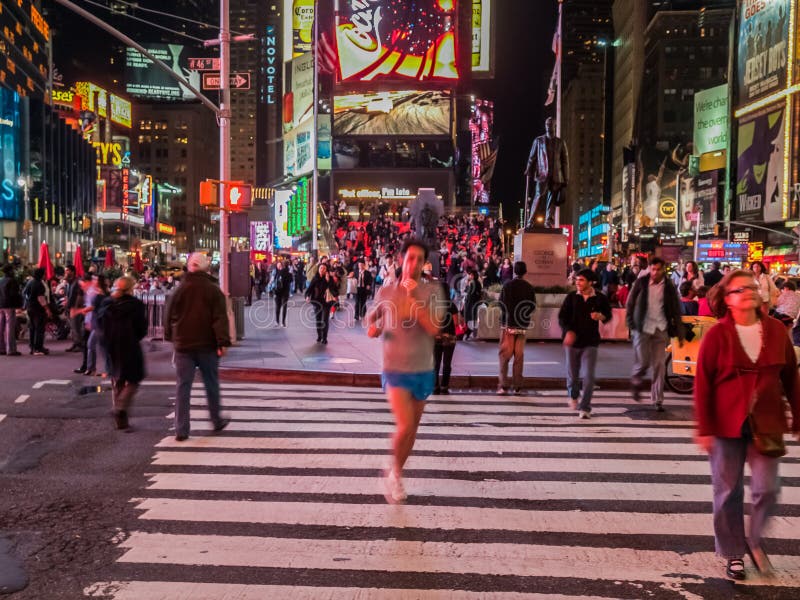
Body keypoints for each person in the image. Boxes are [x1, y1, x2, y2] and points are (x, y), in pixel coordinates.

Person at [694, 270, 800, 580]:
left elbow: (791, 377)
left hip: (766, 420)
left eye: (752, 288)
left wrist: (798, 414)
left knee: (767, 489)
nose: (749, 292)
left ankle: (754, 541)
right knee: (728, 492)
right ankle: (733, 553)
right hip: (726, 421)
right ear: (727, 299)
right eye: (741, 289)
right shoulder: (717, 334)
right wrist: (704, 427)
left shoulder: (777, 330)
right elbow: (703, 383)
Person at [367, 238, 444, 504]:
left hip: (423, 368)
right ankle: (395, 475)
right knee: (405, 424)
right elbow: (373, 317)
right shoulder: (386, 291)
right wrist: (373, 327)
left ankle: (395, 471)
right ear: (401, 260)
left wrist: (413, 298)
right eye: (409, 258)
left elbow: (434, 328)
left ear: (425, 265)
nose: (413, 264)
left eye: (419, 260)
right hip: (395, 369)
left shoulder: (433, 291)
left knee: (412, 431)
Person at [164, 252, 231, 441]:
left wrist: (170, 336)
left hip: (183, 345)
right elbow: (220, 318)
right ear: (205, 267)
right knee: (211, 383)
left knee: (182, 387)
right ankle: (216, 420)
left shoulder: (180, 288)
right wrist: (222, 342)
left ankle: (181, 428)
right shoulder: (212, 289)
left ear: (189, 267)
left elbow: (168, 314)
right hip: (207, 345)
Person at [626, 257, 685, 411]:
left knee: (659, 365)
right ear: (649, 269)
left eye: (658, 269)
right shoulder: (641, 283)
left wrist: (679, 331)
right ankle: (637, 379)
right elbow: (630, 303)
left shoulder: (669, 286)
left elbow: (675, 309)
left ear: (663, 269)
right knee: (643, 362)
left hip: (661, 328)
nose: (655, 272)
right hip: (642, 327)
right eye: (653, 269)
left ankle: (657, 399)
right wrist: (631, 324)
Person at [558, 269, 613, 418]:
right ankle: (574, 395)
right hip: (573, 342)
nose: (578, 283)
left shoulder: (600, 298)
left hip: (591, 341)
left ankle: (585, 407)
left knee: (589, 376)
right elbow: (562, 317)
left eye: (581, 280)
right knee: (573, 375)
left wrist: (601, 316)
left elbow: (608, 315)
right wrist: (568, 331)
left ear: (590, 282)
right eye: (576, 280)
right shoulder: (571, 297)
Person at [96, 276, 147, 431]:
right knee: (134, 378)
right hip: (129, 345)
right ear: (131, 288)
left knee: (117, 380)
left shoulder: (106, 304)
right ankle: (120, 407)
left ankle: (121, 421)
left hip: (110, 346)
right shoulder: (136, 305)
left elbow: (98, 324)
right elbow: (141, 328)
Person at [498, 261, 537, 395]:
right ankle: (517, 386)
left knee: (505, 355)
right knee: (518, 356)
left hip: (508, 324)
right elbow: (532, 306)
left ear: (514, 271)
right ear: (525, 272)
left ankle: (503, 385)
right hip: (521, 325)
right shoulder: (529, 287)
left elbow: (501, 304)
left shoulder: (507, 285)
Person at [433, 279, 459, 395]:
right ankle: (444, 386)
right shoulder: (452, 305)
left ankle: (434, 386)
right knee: (447, 363)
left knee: (435, 363)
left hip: (436, 336)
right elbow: (456, 322)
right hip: (449, 337)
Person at [305, 263, 337, 344]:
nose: (322, 269)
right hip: (316, 302)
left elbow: (334, 290)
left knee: (325, 320)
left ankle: (324, 337)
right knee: (318, 320)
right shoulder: (315, 278)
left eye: (324, 268)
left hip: (326, 302)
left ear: (326, 270)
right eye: (321, 268)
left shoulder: (329, 278)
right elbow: (309, 289)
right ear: (318, 269)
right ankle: (319, 335)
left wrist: (328, 281)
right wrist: (307, 296)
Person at [22, 268, 50, 356]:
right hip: (38, 309)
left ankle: (32, 346)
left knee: (32, 327)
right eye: (44, 274)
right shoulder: (39, 284)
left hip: (30, 308)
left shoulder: (30, 282)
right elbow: (41, 298)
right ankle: (38, 348)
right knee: (39, 328)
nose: (45, 275)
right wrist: (47, 309)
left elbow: (24, 293)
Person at [0, 264, 22, 356]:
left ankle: (1, 348)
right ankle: (11, 349)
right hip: (9, 305)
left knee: (1, 326)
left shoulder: (0, 280)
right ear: (10, 271)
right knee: (10, 327)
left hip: (1, 305)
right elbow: (14, 295)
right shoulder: (12, 281)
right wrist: (19, 305)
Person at [462, 269, 482, 340]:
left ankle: (468, 333)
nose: (469, 276)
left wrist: (468, 285)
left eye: (471, 275)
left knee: (469, 318)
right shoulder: (477, 283)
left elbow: (469, 293)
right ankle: (472, 333)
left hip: (471, 303)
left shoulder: (473, 283)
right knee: (473, 318)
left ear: (473, 276)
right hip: (474, 302)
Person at [273, 260, 293, 327]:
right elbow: (291, 281)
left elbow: (275, 282)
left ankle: (277, 321)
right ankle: (283, 322)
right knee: (284, 306)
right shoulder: (289, 273)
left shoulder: (278, 272)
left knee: (277, 307)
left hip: (278, 291)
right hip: (285, 292)